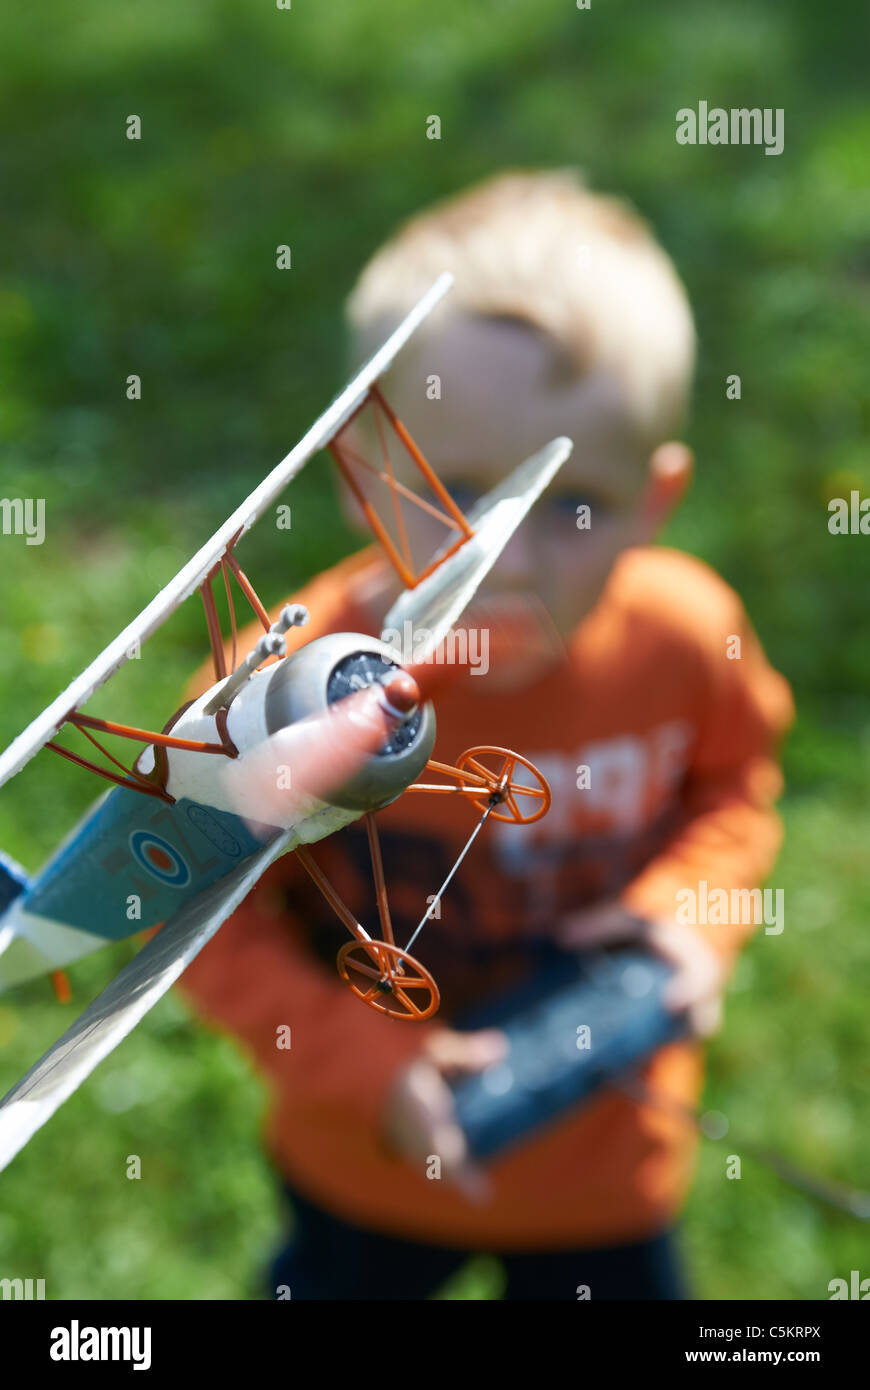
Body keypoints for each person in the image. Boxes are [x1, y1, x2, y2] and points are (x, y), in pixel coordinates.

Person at [178, 170, 793, 1300]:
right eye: (460, 491)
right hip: (363, 1162)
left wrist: (688, 925)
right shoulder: (276, 693)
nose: (508, 561)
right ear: (364, 477)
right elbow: (195, 923)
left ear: (657, 500)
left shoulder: (687, 639)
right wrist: (367, 1066)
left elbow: (734, 797)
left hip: (604, 1165)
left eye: (574, 504)